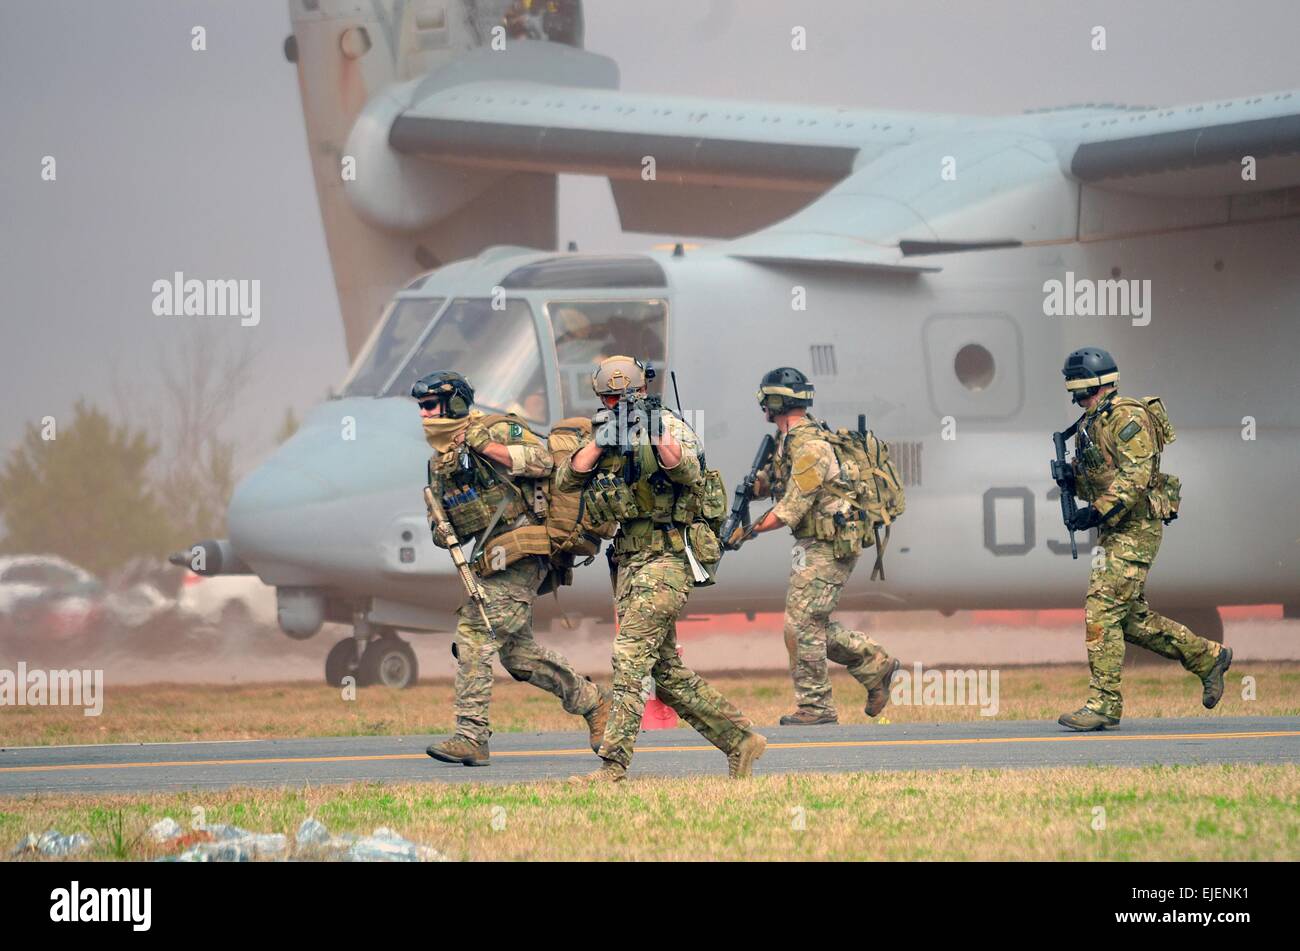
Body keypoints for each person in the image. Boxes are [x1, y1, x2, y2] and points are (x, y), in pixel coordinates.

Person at [558, 356, 766, 782]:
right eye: (609, 398)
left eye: (623, 397)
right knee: (666, 674)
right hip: (631, 560)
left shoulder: (669, 425)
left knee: (630, 657)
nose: (616, 404)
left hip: (668, 557)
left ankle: (613, 767)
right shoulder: (605, 433)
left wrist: (653, 431)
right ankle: (740, 739)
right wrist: (603, 439)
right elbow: (567, 479)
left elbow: (687, 470)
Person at [414, 370, 610, 765]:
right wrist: (440, 526)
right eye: (420, 407)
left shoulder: (496, 431)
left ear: (454, 404)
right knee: (519, 656)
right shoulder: (440, 465)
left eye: (430, 405)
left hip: (525, 547)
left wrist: (489, 448)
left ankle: (471, 736)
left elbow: (543, 462)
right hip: (490, 558)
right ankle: (595, 704)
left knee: (474, 632)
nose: (423, 414)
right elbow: (447, 532)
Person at [1056, 347, 1233, 731]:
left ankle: (1104, 704)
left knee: (1101, 609)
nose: (1079, 401)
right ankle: (1208, 658)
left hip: (1136, 528)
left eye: (1084, 393)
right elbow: (1103, 474)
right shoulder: (1095, 424)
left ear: (1102, 388)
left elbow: (1134, 479)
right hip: (1116, 527)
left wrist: (1095, 511)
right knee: (1132, 621)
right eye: (1075, 395)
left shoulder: (1127, 418)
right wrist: (1073, 480)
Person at [730, 367, 899, 725]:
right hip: (815, 542)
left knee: (802, 624)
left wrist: (743, 532)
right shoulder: (788, 441)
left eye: (765, 398)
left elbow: (789, 510)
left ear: (774, 402)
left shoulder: (810, 447)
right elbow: (776, 485)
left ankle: (816, 708)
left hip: (830, 543)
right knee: (808, 624)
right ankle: (874, 663)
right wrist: (754, 488)